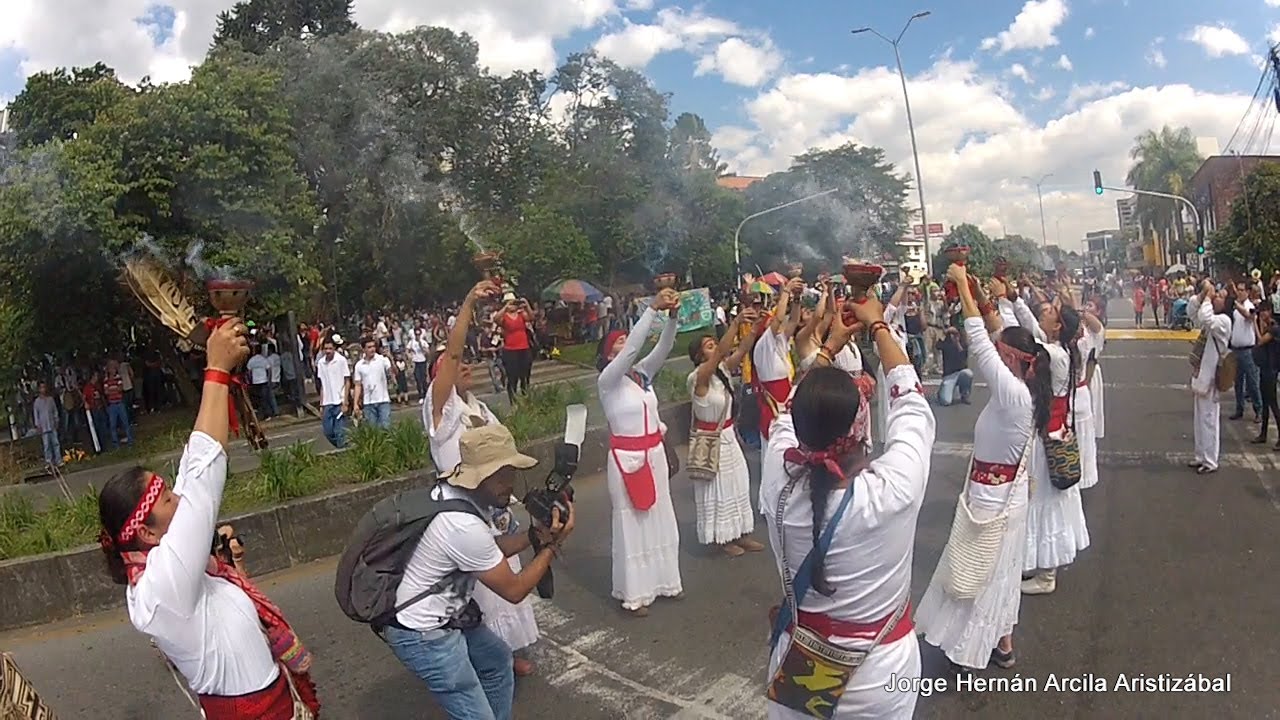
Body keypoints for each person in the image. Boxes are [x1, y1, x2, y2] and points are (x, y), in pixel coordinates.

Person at [96, 318, 322, 719]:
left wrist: (220, 374)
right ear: (146, 531)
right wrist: (215, 371)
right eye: (167, 499)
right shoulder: (162, 585)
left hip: (275, 699)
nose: (178, 499)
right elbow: (202, 479)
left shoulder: (177, 566)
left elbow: (192, 470)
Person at [761, 293, 934, 719]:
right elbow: (911, 402)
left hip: (800, 666)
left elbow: (787, 412)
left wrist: (827, 348)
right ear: (860, 430)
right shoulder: (892, 491)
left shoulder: (777, 484)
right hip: (880, 674)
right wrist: (878, 326)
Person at [377, 424, 574, 720]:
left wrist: (536, 537)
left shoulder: (454, 494)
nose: (510, 483)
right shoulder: (462, 525)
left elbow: (489, 550)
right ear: (482, 476)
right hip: (423, 633)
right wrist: (551, 545)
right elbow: (515, 590)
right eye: (503, 475)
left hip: (445, 615)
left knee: (497, 662)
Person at [917, 263, 1050, 671]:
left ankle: (968, 646)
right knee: (1001, 572)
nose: (995, 349)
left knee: (975, 573)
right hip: (1002, 497)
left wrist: (959, 283)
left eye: (1001, 349)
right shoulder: (1026, 385)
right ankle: (1003, 643)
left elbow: (979, 337)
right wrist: (976, 292)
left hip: (990, 499)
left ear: (1010, 356)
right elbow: (994, 331)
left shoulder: (1013, 394)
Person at [425, 280, 541, 677]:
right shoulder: (440, 411)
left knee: (505, 572)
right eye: (455, 365)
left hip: (494, 504)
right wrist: (469, 302)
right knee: (479, 589)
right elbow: (454, 349)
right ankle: (485, 660)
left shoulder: (479, 407)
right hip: (462, 510)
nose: (464, 365)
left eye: (467, 363)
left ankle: (506, 654)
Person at [597, 287, 683, 616]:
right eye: (616, 343)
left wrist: (671, 317)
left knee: (659, 515)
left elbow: (664, 347)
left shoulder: (642, 376)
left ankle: (665, 582)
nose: (624, 345)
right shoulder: (609, 381)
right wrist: (652, 309)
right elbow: (633, 348)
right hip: (626, 459)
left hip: (654, 454)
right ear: (609, 355)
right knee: (631, 523)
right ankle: (633, 593)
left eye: (624, 339)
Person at [1004, 279, 1091, 596]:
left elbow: (1028, 342)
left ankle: (1047, 571)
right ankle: (1041, 564)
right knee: (1047, 497)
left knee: (1043, 497)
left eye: (1052, 311)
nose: (1047, 311)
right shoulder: (1062, 350)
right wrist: (1015, 303)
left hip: (1048, 436)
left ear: (1057, 327)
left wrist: (1003, 307)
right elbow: (1035, 332)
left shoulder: (1054, 355)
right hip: (1055, 431)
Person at [686, 307, 762, 558]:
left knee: (738, 483)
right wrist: (735, 322)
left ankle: (742, 532)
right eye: (708, 346)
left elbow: (741, 350)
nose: (714, 347)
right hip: (712, 440)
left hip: (729, 437)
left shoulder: (722, 372)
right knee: (718, 489)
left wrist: (754, 327)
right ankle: (722, 538)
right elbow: (721, 352)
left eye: (713, 343)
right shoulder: (699, 377)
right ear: (699, 355)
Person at [1190, 279, 1233, 473]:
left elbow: (1205, 317)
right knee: (1200, 419)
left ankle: (1210, 460)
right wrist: (1202, 296)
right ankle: (1201, 455)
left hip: (1212, 377)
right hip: (1201, 375)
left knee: (1209, 419)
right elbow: (1192, 313)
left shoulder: (1223, 321)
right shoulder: (1212, 318)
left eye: (1220, 297)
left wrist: (1207, 297)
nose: (1216, 297)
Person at [753, 278, 804, 440]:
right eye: (770, 323)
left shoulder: (779, 341)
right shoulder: (762, 345)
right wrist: (786, 291)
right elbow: (779, 318)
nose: (775, 324)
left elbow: (794, 321)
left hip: (786, 403)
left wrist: (797, 299)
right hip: (773, 409)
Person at [496, 295, 535, 403]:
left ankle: (527, 398)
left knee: (525, 376)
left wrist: (526, 304)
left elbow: (531, 317)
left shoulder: (521, 314)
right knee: (513, 377)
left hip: (524, 347)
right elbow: (496, 319)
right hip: (510, 350)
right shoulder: (504, 316)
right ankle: (513, 401)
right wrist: (505, 307)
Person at [315, 336, 351, 448]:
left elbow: (347, 381)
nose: (328, 351)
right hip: (327, 402)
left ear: (334, 348)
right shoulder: (321, 363)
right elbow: (322, 384)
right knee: (328, 432)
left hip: (339, 401)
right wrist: (321, 404)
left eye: (330, 348)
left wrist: (345, 401)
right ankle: (343, 447)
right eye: (326, 349)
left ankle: (343, 451)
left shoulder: (341, 360)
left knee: (340, 432)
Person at [1253, 305, 1280, 448]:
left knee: (1273, 403)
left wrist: (1254, 323)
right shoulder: (1269, 326)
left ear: (1269, 311)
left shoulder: (1274, 328)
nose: (1262, 314)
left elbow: (1260, 340)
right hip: (1265, 367)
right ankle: (1263, 434)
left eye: (1264, 311)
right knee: (1265, 403)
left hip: (1271, 369)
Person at [353, 338, 394, 430]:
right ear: (363, 349)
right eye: (369, 347)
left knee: (386, 428)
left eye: (373, 346)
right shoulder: (359, 365)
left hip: (383, 400)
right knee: (373, 431)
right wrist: (355, 403)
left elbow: (393, 373)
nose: (372, 349)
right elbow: (358, 385)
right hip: (368, 402)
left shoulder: (382, 360)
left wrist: (390, 359)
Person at [935, 327, 973, 406]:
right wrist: (944, 334)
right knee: (946, 401)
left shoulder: (963, 344)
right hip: (949, 376)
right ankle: (941, 392)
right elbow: (937, 346)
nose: (953, 336)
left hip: (960, 373)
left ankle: (964, 395)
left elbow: (963, 359)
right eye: (951, 334)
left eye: (955, 334)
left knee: (968, 373)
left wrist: (957, 343)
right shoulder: (946, 343)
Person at [33, 382, 62, 468]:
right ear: (39, 389)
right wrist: (37, 425)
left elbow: (55, 411)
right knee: (46, 445)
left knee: (56, 443)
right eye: (41, 388)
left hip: (52, 425)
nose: (43, 389)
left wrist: (56, 420)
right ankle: (49, 461)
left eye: (44, 387)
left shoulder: (50, 399)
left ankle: (58, 460)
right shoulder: (37, 402)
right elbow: (36, 414)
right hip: (43, 426)